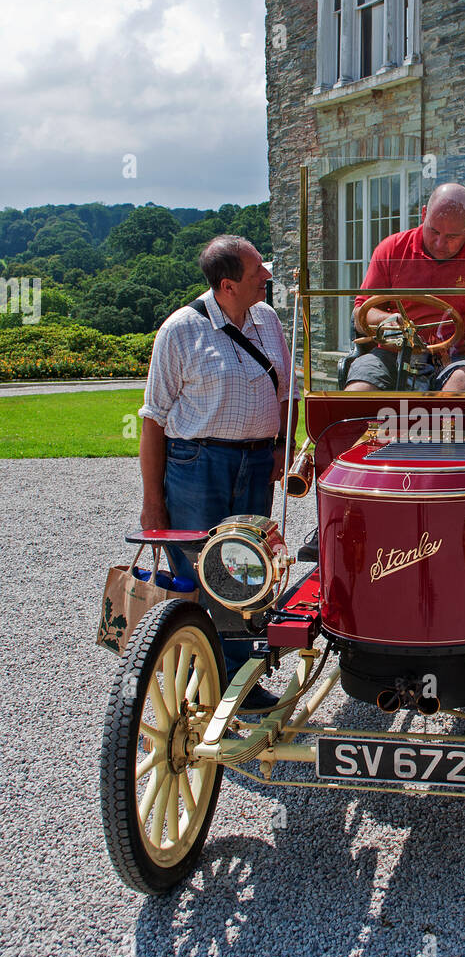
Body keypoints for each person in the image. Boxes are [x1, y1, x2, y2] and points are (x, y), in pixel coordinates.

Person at [138, 235, 295, 705]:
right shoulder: (179, 330)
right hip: (196, 464)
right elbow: (153, 418)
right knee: (200, 575)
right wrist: (152, 501)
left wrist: (283, 446)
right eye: (256, 273)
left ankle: (236, 679)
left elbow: (286, 390)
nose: (267, 276)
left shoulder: (267, 319)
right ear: (227, 285)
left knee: (248, 571)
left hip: (256, 461)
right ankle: (199, 679)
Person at [345, 182, 465, 393]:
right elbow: (360, 314)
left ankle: (439, 426)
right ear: (423, 214)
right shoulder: (392, 249)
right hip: (394, 354)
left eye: (452, 237)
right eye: (434, 230)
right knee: (358, 393)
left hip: (459, 358)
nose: (439, 243)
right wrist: (389, 321)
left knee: (461, 384)